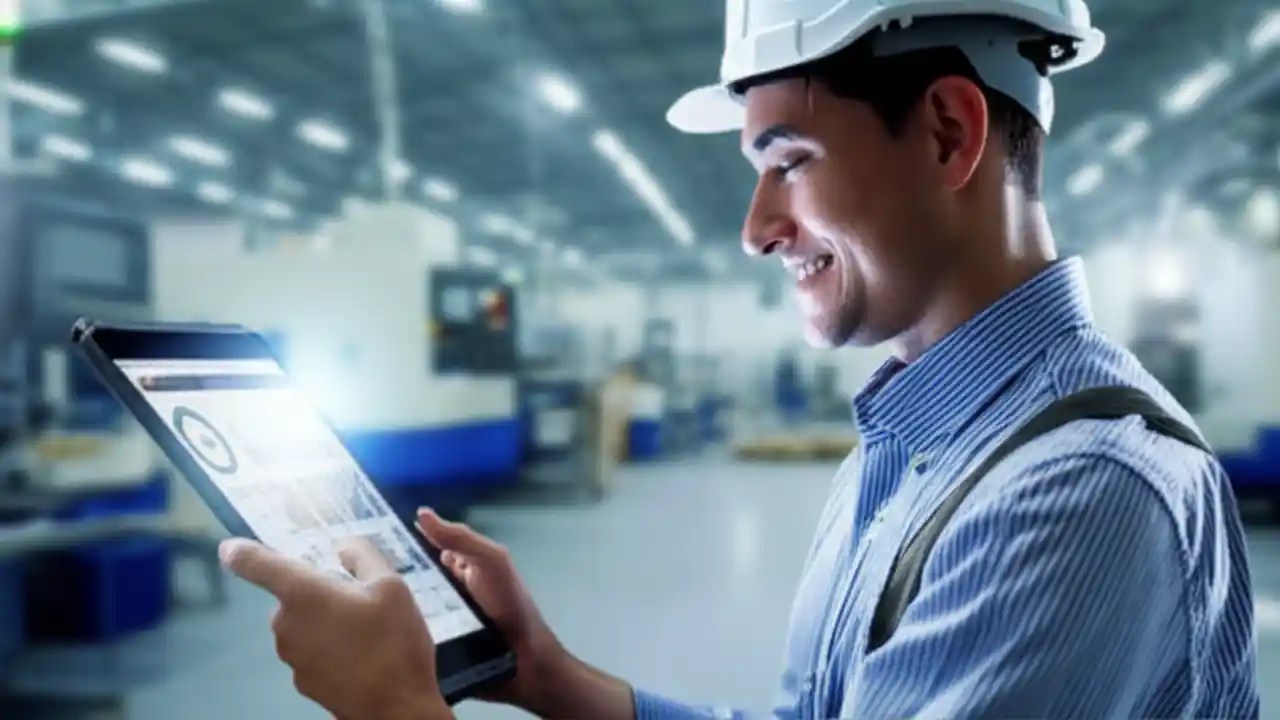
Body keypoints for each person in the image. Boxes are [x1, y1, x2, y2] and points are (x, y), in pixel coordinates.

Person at [221, 0, 1260, 717]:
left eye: (788, 162)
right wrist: (547, 676)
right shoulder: (913, 446)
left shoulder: (1073, 493)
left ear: (947, 133)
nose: (756, 228)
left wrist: (393, 709)